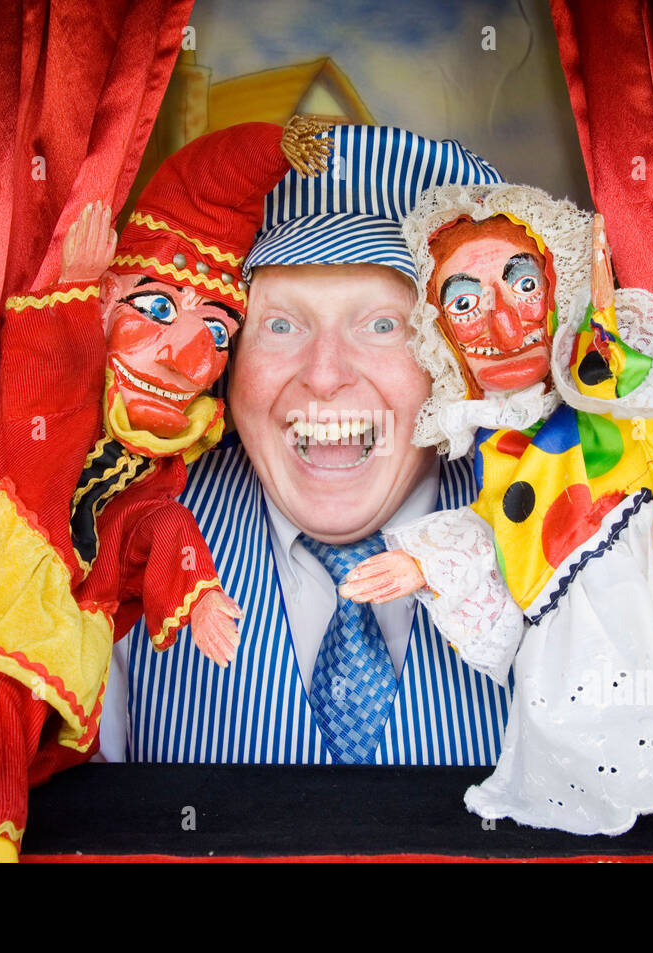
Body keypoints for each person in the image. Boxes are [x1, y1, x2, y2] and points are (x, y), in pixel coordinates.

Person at [0, 120, 324, 860]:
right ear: (108, 305)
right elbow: (40, 392)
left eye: (218, 330)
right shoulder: (73, 392)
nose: (187, 355)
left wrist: (193, 591)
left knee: (8, 746)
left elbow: (152, 529)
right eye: (159, 308)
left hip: (57, 616)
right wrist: (70, 292)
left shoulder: (164, 462)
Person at [344, 182, 653, 832]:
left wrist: (600, 318)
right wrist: (428, 566)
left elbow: (611, 386)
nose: (502, 323)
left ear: (564, 285)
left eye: (524, 283)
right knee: (570, 718)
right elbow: (504, 521)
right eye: (465, 302)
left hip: (642, 579)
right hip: (561, 623)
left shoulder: (602, 399)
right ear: (443, 337)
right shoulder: (499, 440)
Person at [98, 126, 515, 764]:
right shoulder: (123, 529)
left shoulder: (543, 514)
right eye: (281, 324)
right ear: (228, 364)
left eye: (382, 325)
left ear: (451, 362)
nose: (324, 374)